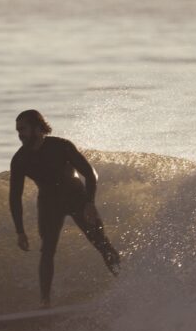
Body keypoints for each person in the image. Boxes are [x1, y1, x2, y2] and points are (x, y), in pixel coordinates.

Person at [8, 109, 121, 305]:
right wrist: (20, 231)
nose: (20, 134)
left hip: (77, 198)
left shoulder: (61, 146)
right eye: (18, 130)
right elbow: (14, 196)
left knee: (101, 243)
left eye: (23, 129)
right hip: (49, 204)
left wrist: (90, 203)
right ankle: (45, 301)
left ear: (37, 127)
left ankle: (125, 281)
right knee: (47, 251)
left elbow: (90, 174)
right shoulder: (20, 159)